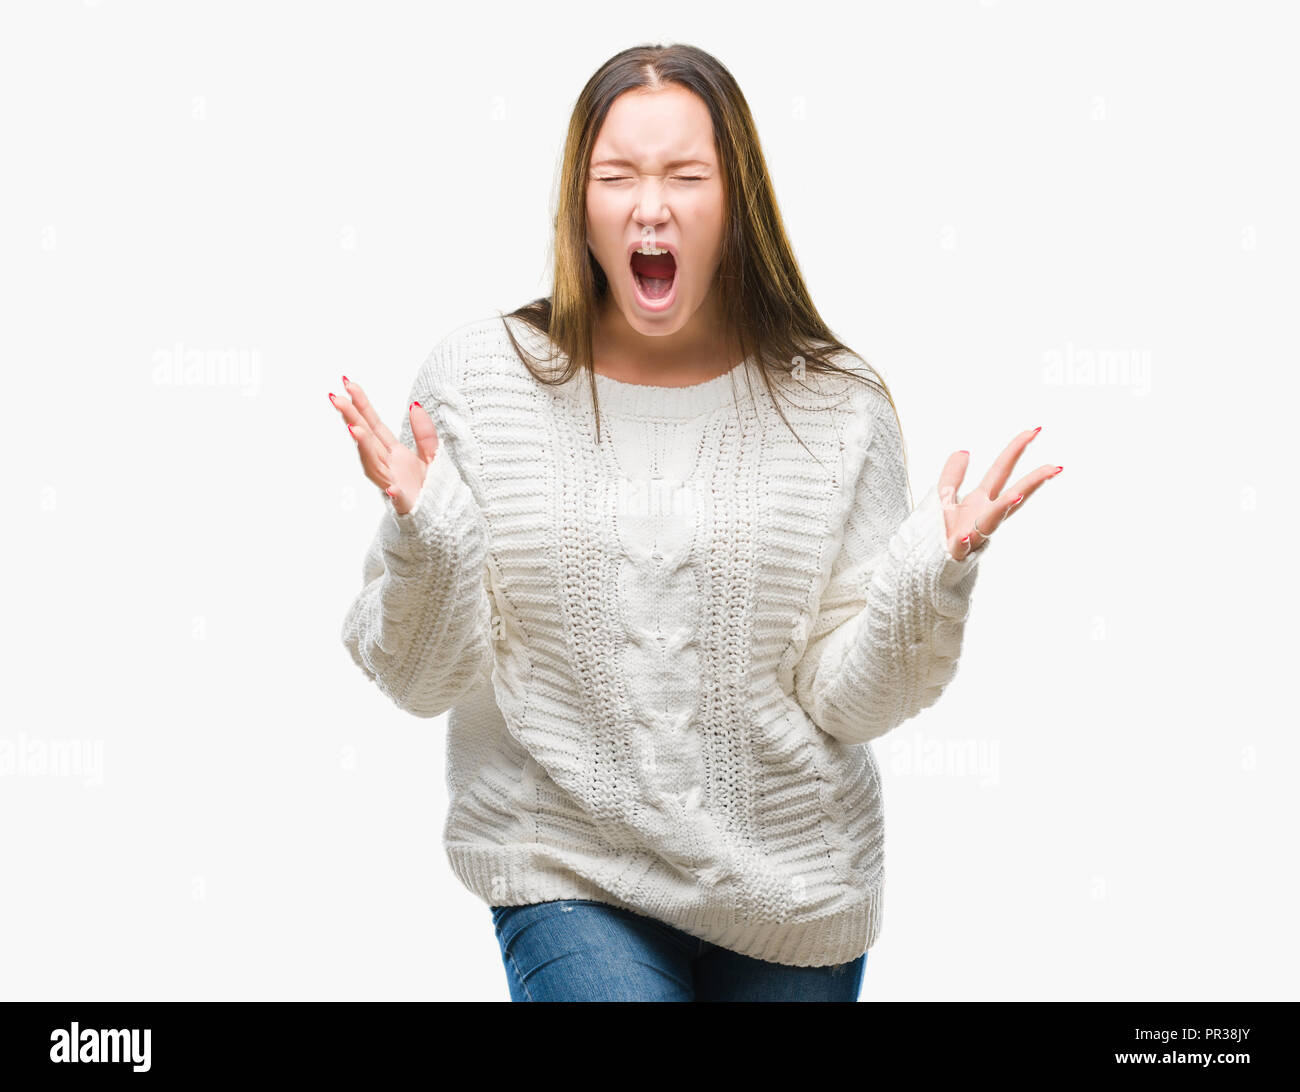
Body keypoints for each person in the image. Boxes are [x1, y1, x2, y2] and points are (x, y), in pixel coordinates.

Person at [329, 43, 1061, 1002]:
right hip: (565, 868)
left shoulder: (836, 406)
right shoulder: (480, 383)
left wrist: (934, 571)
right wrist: (430, 535)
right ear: (578, 201)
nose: (651, 206)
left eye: (687, 176)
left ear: (736, 199)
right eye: (617, 175)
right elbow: (424, 681)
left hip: (794, 890)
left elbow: (848, 702)